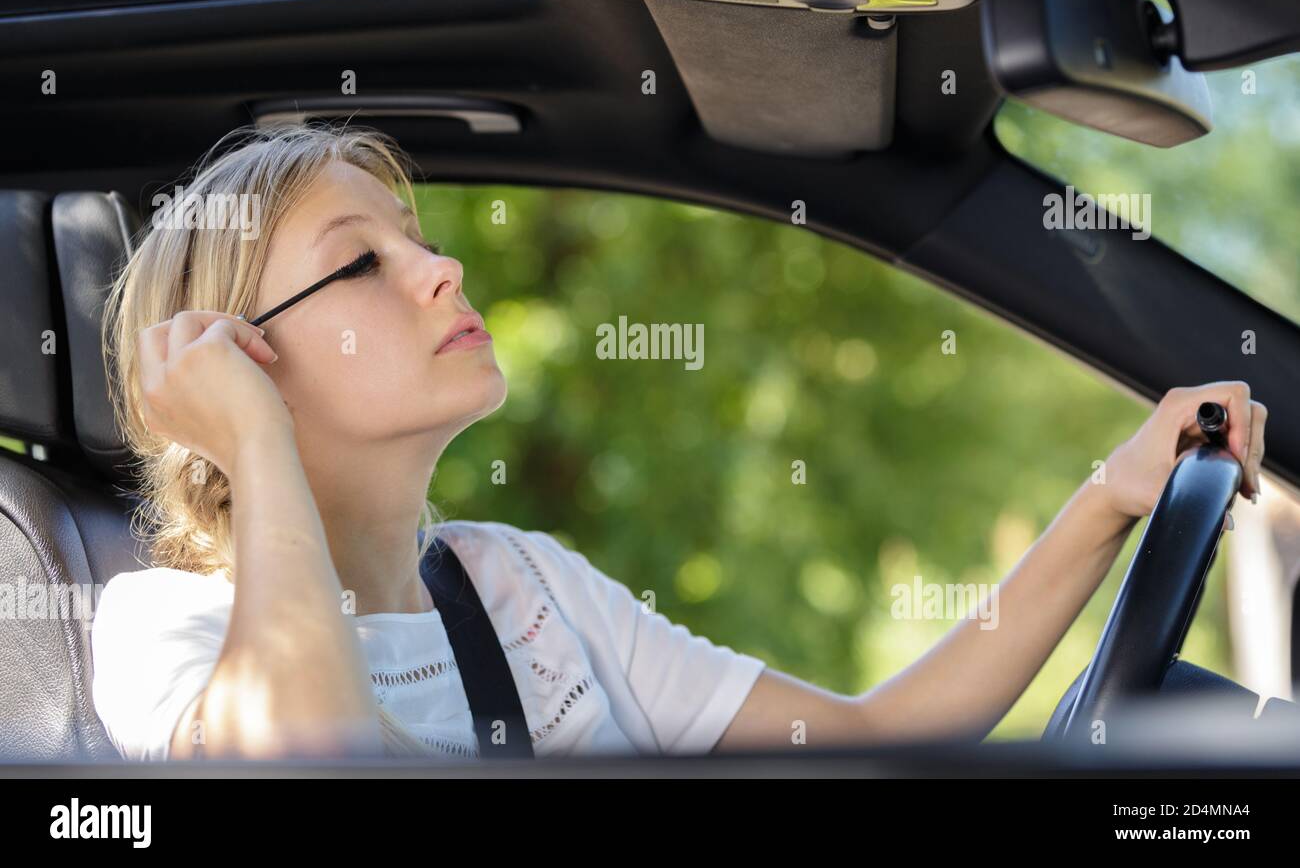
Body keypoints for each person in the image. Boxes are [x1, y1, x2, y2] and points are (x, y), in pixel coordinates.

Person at [90, 123, 1269, 762]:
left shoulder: (523, 586)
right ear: (239, 363)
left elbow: (872, 736)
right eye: (361, 260)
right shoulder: (164, 630)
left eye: (417, 238)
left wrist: (1108, 496)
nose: (440, 266)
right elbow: (311, 753)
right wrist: (256, 443)